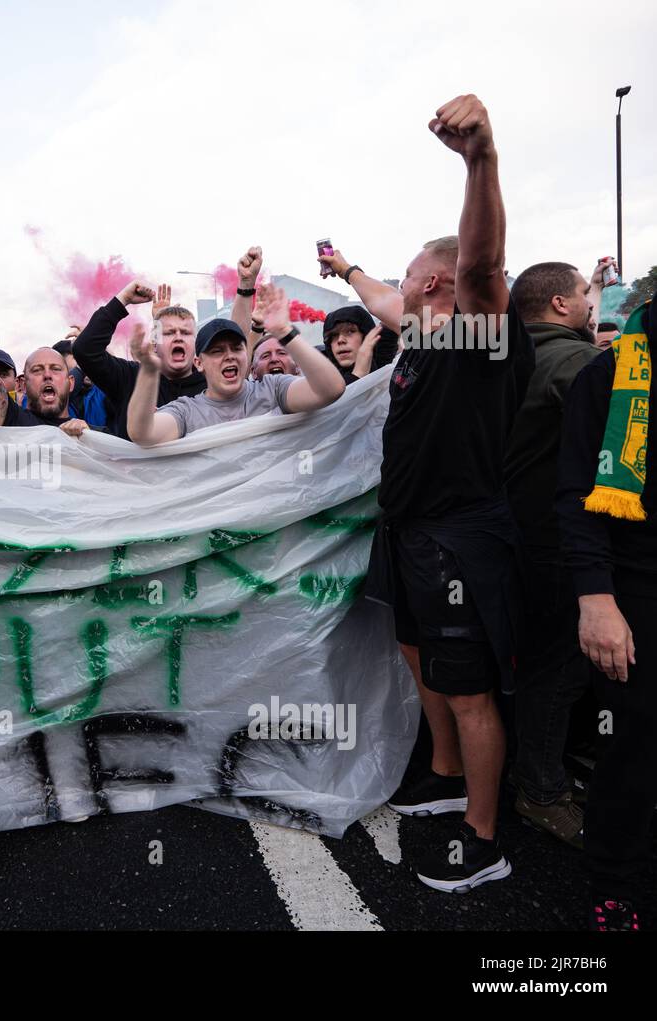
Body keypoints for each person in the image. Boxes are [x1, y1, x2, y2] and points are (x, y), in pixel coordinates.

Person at [363, 95, 533, 894]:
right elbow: (381, 302)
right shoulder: (417, 345)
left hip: (462, 535)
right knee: (418, 655)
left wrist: (480, 160)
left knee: (468, 686)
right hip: (409, 535)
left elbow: (482, 269)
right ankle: (443, 775)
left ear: (432, 279)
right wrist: (344, 271)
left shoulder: (474, 336)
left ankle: (485, 834)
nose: (393, 296)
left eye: (403, 282)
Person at [557, 296, 654, 931]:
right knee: (632, 749)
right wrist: (596, 599)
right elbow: (573, 494)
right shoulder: (611, 370)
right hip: (635, 594)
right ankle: (616, 882)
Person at [504, 262, 602, 849]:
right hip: (560, 542)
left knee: (534, 662)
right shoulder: (580, 363)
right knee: (559, 669)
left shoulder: (496, 359)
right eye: (586, 293)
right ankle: (540, 790)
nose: (593, 302)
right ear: (563, 305)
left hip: (509, 536)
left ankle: (544, 773)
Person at [125, 283, 345, 444]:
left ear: (246, 356)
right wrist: (149, 371)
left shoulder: (272, 389)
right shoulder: (187, 411)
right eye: (217, 351)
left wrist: (284, 331)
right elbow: (143, 434)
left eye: (237, 348)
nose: (229, 356)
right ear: (199, 363)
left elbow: (331, 389)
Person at [73, 285, 202, 441]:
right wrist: (123, 299)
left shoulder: (211, 384)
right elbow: (85, 350)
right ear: (155, 344)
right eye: (168, 333)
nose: (178, 337)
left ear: (196, 343)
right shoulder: (130, 377)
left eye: (186, 332)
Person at [320, 305, 398, 383]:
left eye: (350, 331)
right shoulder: (319, 382)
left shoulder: (380, 364)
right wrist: (359, 373)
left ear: (367, 336)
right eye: (333, 335)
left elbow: (393, 315)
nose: (340, 340)